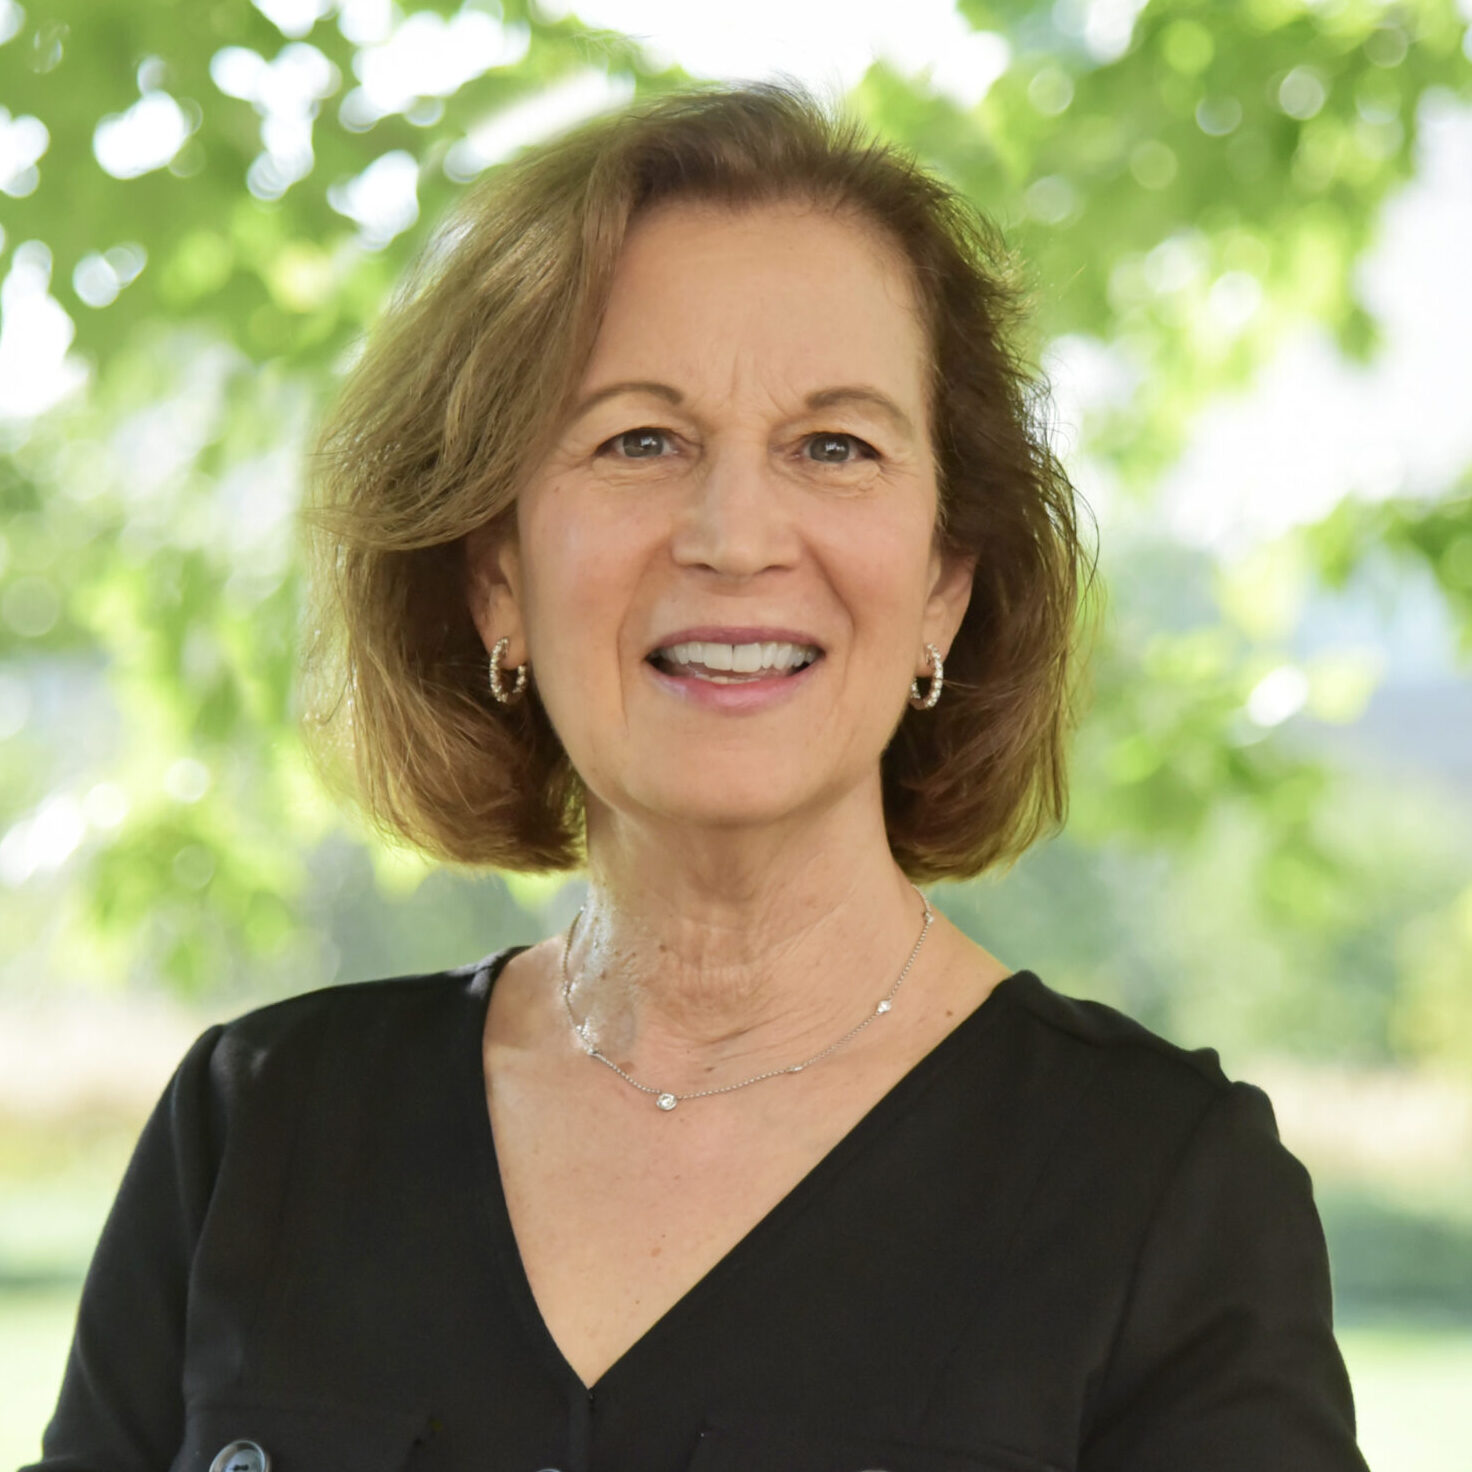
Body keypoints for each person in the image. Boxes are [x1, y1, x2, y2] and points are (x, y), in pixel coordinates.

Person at [26, 81, 1367, 1472]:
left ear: (944, 588)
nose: (734, 534)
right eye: (640, 441)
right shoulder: (259, 1131)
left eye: (834, 447)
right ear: (497, 579)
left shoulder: (1163, 1192)